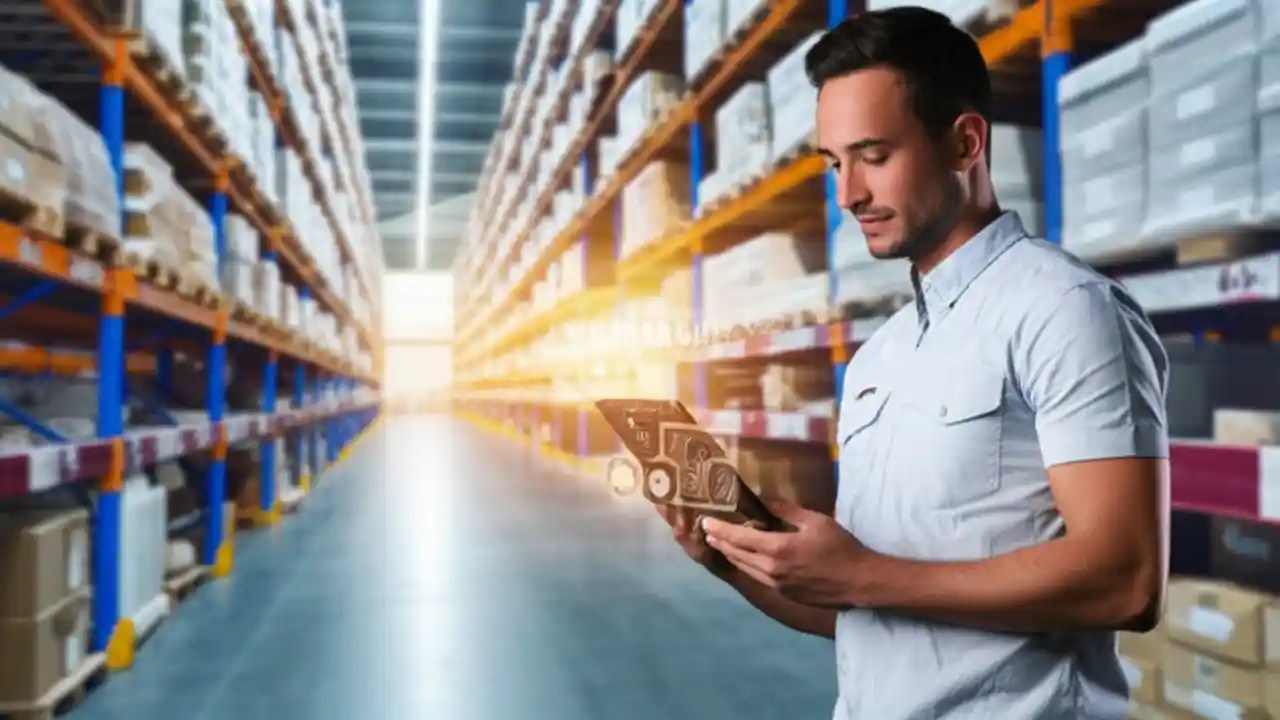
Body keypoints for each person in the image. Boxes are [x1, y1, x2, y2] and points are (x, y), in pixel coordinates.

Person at [655, 7, 1170, 719]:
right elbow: (866, 616)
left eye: (874, 156)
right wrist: (735, 562)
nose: (848, 195)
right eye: (835, 163)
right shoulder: (879, 360)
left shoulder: (1065, 309)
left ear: (965, 142)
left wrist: (860, 574)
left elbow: (1127, 580)